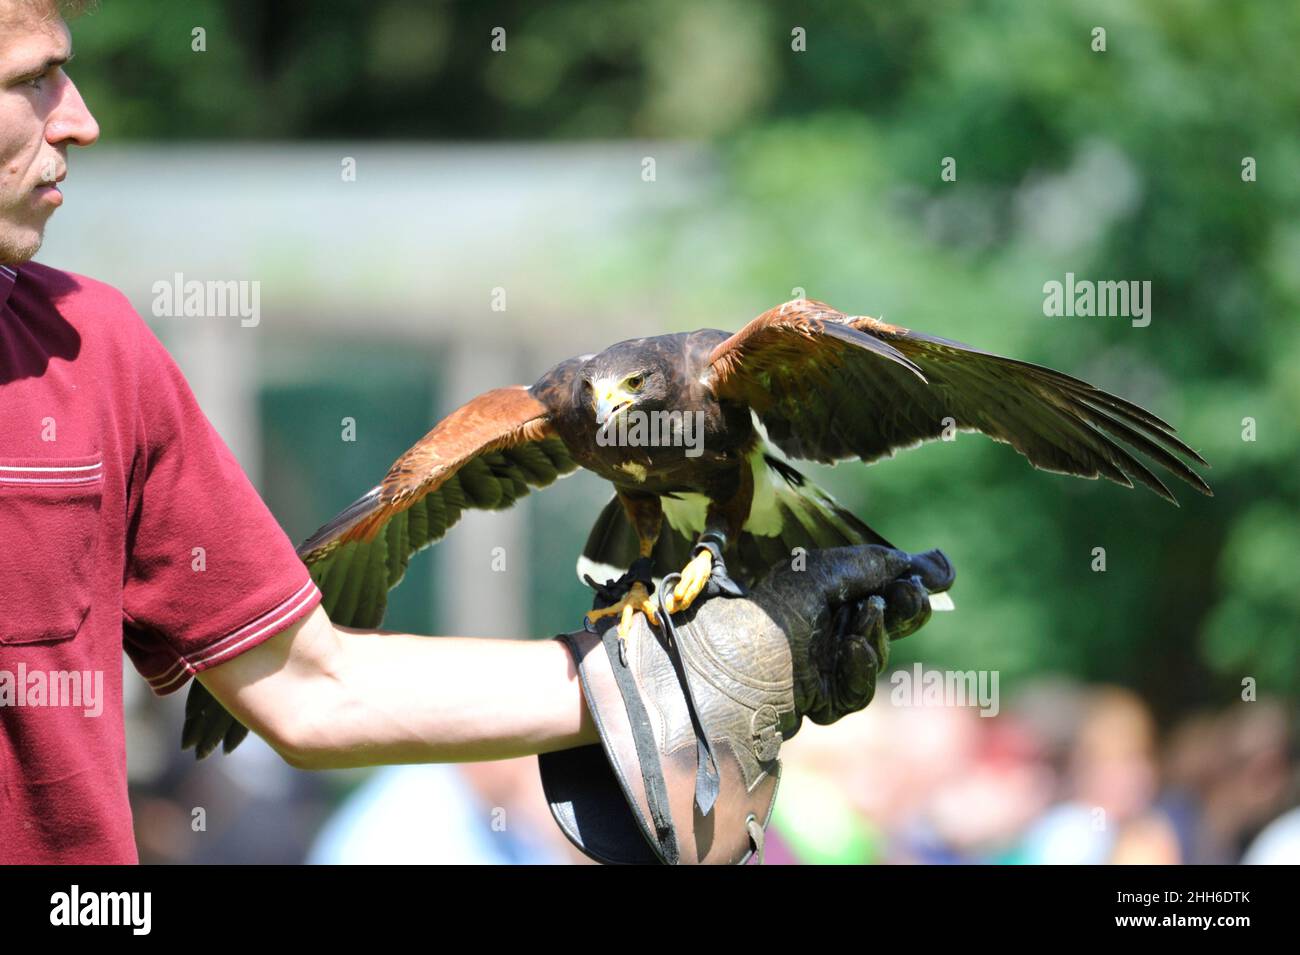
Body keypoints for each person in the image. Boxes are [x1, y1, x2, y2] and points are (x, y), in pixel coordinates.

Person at [0, 0, 942, 864]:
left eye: (67, 73)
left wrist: (665, 674)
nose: (78, 117)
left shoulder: (94, 350)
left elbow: (309, 686)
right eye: (29, 79)